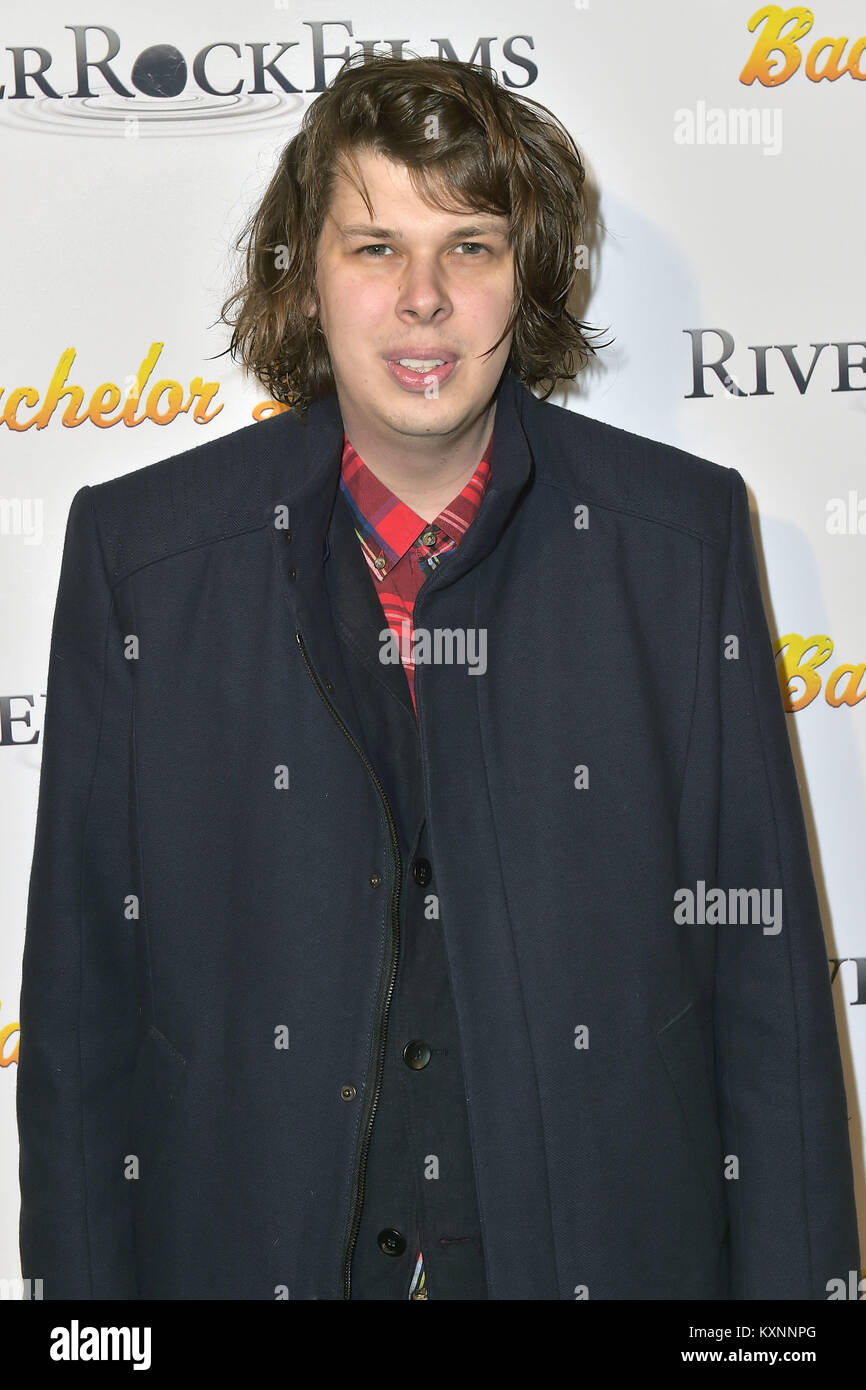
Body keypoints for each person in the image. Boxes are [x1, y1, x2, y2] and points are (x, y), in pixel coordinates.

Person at [17, 52, 860, 1301]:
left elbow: (763, 981)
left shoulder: (676, 539)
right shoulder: (140, 557)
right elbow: (83, 996)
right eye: (374, 247)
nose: (423, 299)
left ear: (530, 278)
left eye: (469, 245)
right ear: (305, 276)